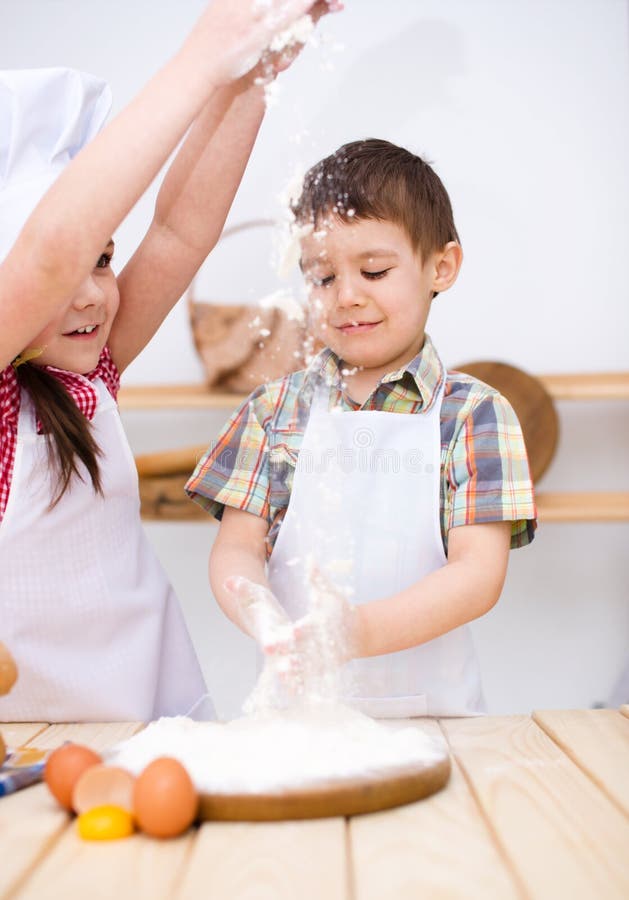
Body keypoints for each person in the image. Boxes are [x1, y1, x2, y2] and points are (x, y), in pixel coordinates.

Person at [0, 0, 337, 723]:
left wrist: (250, 76)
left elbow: (182, 230)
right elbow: (46, 253)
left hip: (157, 729)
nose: (92, 292)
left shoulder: (85, 376)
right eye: (69, 271)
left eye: (106, 260)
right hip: (29, 759)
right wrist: (198, 59)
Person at [186, 138, 537, 718]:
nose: (346, 296)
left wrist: (354, 633)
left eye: (373, 270)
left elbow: (478, 573)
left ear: (440, 267)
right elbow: (237, 552)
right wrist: (262, 615)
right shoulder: (275, 411)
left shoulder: (472, 414)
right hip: (295, 723)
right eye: (321, 277)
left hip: (437, 724)